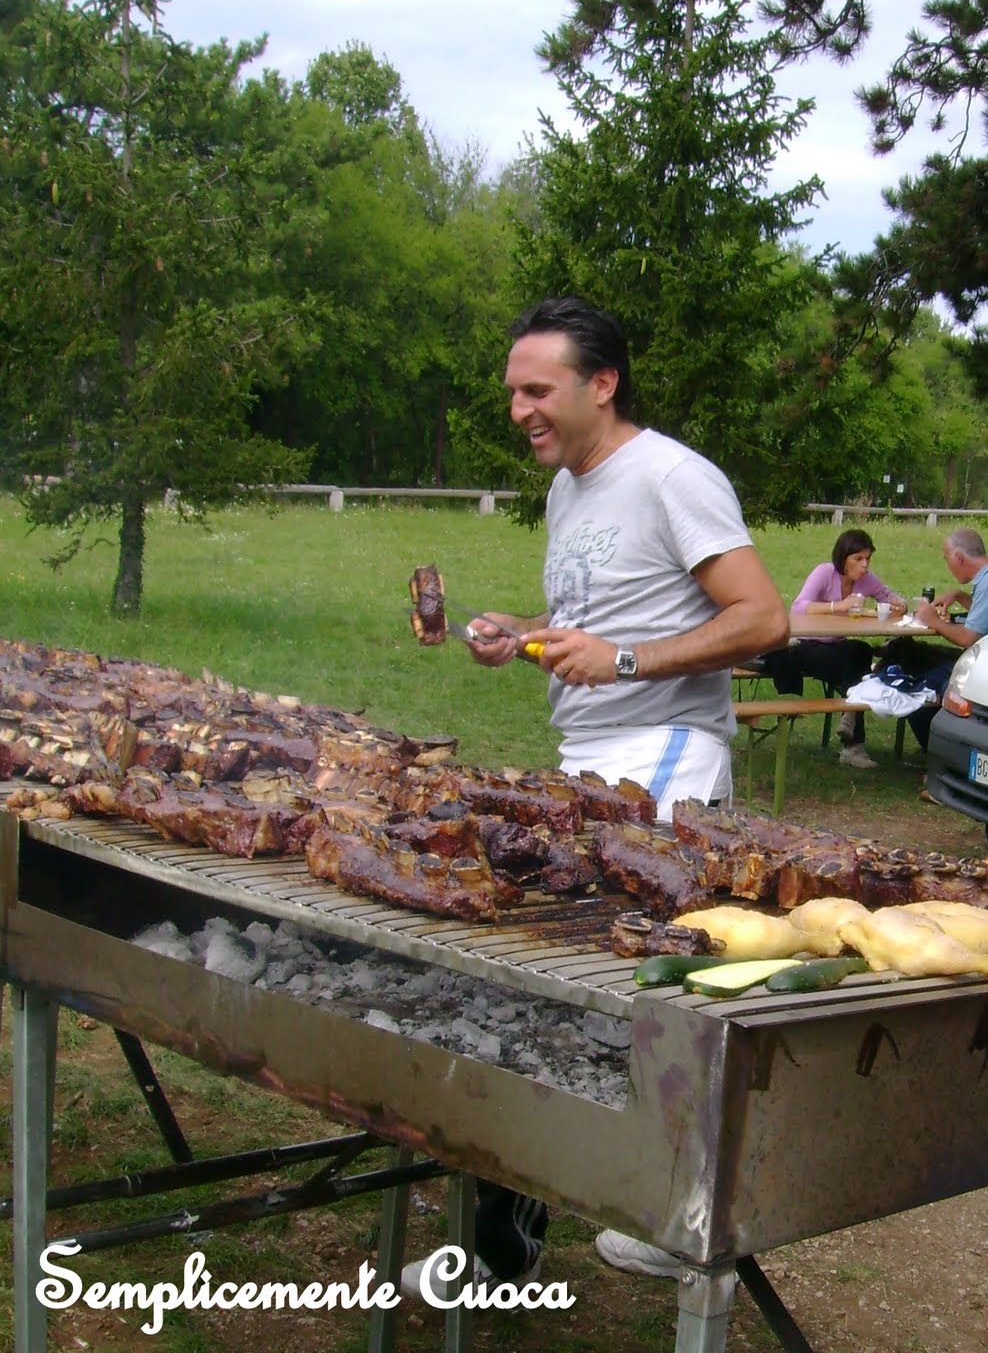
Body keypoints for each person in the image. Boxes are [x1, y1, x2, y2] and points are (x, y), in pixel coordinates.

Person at [401, 295, 789, 1300]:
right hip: (586, 756)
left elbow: (762, 618)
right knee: (559, 973)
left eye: (538, 390)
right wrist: (525, 633)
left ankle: (679, 1219)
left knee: (628, 987)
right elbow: (596, 616)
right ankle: (514, 1221)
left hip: (664, 754)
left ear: (601, 383)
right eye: (513, 392)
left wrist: (623, 660)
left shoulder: (670, 476)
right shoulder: (567, 490)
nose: (519, 410)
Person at [782, 530, 906, 770]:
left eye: (868, 558)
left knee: (861, 650)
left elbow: (888, 596)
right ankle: (853, 738)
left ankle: (850, 721)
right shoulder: (824, 573)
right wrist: (838, 605)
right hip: (806, 644)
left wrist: (899, 604)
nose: (865, 565)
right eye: (858, 558)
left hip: (836, 644)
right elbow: (798, 607)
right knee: (856, 664)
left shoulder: (866, 579)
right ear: (843, 558)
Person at [903, 528, 988, 766]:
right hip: (980, 663)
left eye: (947, 559)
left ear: (959, 558)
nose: (947, 565)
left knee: (917, 684)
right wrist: (959, 595)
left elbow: (968, 638)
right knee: (919, 656)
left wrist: (933, 621)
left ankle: (940, 759)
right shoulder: (984, 578)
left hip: (981, 673)